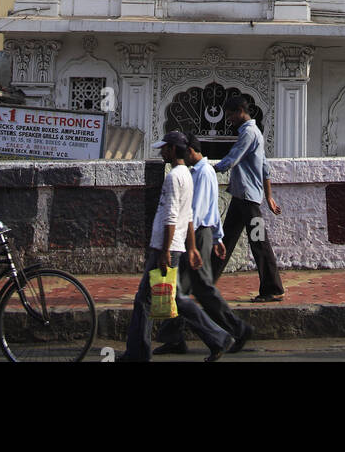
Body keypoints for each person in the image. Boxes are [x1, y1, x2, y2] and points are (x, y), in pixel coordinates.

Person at [116, 131, 234, 363]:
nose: (161, 152)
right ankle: (218, 338)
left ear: (172, 150)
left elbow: (172, 217)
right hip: (177, 245)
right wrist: (191, 248)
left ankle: (137, 353)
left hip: (166, 246)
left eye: (164, 148)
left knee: (145, 299)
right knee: (175, 298)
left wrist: (165, 250)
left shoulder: (174, 177)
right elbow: (187, 215)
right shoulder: (187, 175)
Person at [154, 134, 254, 355]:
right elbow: (213, 207)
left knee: (197, 289)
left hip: (197, 235)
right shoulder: (198, 172)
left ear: (190, 151)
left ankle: (236, 329)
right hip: (200, 234)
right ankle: (174, 337)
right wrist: (217, 237)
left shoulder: (203, 172)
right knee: (181, 288)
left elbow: (196, 211)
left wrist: (190, 243)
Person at [211, 96, 284, 303]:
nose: (229, 119)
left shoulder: (248, 133)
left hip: (247, 199)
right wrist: (268, 196)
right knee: (225, 239)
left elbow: (232, 158)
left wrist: (207, 168)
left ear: (240, 111)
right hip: (243, 196)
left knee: (259, 241)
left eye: (230, 114)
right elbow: (264, 168)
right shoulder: (254, 132)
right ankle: (206, 283)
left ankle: (273, 288)